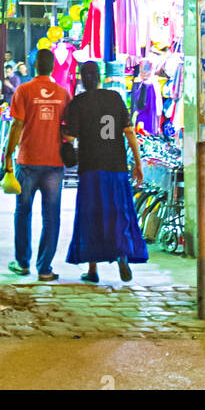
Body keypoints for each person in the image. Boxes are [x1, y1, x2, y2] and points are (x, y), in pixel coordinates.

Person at [63, 61, 148, 284]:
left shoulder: (78, 103)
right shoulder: (115, 97)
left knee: (92, 216)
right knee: (118, 213)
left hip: (91, 169)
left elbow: (69, 139)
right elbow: (129, 133)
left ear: (82, 78)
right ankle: (122, 254)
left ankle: (92, 270)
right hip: (117, 168)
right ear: (99, 77)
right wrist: (138, 164)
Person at [2, 47, 70, 281]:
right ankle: (44, 268)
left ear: (33, 66)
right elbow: (68, 130)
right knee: (52, 216)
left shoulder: (24, 90)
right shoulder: (63, 94)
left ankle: (22, 263)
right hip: (54, 163)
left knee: (23, 212)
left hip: (28, 161)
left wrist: (8, 156)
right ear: (52, 67)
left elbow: (16, 125)